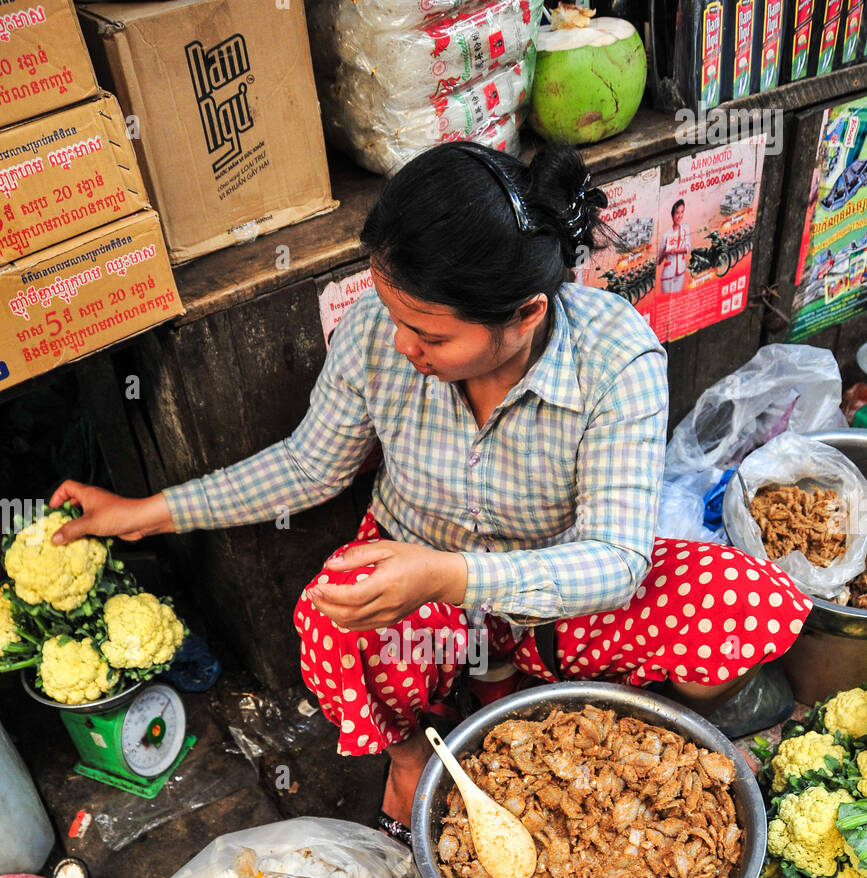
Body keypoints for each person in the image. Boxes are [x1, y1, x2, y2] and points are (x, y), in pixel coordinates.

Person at [50, 143, 810, 839]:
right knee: (327, 618)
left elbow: (615, 561)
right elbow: (309, 466)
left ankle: (650, 732)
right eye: (394, 317)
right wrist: (146, 513)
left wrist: (457, 573)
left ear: (524, 316)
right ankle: (414, 757)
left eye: (433, 337)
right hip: (425, 606)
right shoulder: (381, 332)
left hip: (560, 604)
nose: (403, 346)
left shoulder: (614, 357)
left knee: (748, 598)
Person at [657, 198, 691, 294]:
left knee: (676, 300)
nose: (679, 216)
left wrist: (676, 250)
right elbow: (658, 261)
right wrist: (666, 252)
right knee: (666, 302)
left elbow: (688, 248)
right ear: (672, 215)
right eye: (677, 213)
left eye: (682, 212)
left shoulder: (686, 229)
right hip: (668, 273)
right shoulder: (666, 235)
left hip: (681, 271)